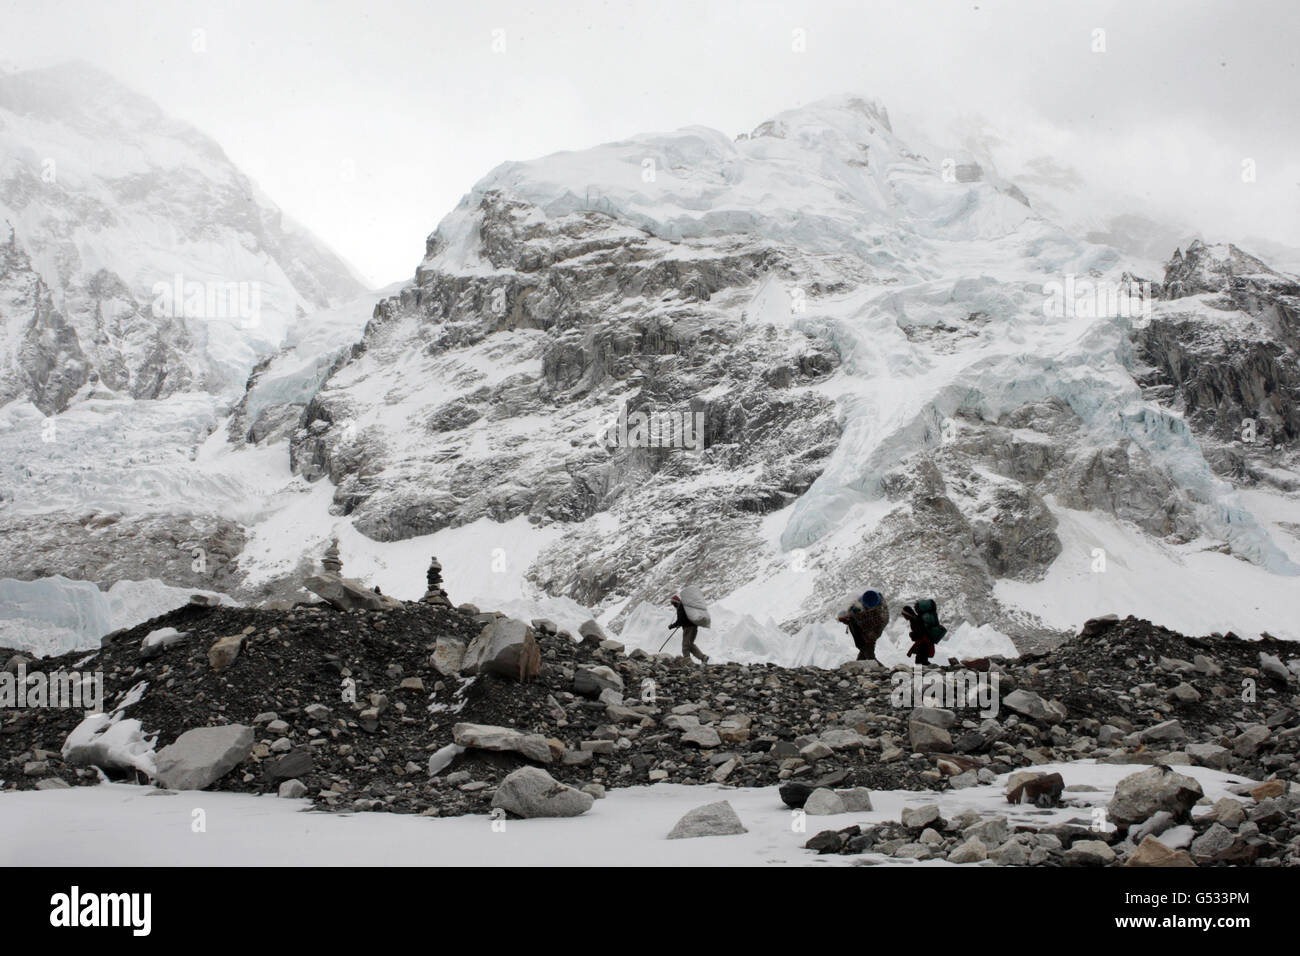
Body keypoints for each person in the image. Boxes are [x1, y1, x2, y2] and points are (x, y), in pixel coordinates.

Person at [837, 590, 889, 661]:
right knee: (865, 650)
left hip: (872, 631)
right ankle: (863, 663)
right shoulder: (867, 597)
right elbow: (850, 611)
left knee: (867, 650)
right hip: (861, 627)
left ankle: (876, 666)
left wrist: (857, 616)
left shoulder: (881, 616)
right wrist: (850, 614)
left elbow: (873, 630)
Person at [669, 595, 709, 664]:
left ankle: (688, 662)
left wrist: (672, 626)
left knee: (685, 647)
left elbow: (680, 621)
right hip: (694, 627)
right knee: (690, 645)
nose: (673, 605)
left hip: (688, 628)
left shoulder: (681, 607)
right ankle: (703, 657)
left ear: (676, 602)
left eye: (673, 603)